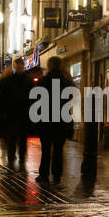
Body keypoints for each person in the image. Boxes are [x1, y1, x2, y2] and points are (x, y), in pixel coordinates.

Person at [35, 55, 76, 183]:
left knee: (46, 150)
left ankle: (44, 175)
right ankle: (57, 174)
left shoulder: (44, 80)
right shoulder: (67, 81)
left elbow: (37, 100)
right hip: (62, 120)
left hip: (46, 120)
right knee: (58, 149)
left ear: (49, 66)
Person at [0, 58, 31, 169]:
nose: (19, 68)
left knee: (21, 137)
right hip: (12, 114)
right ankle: (12, 157)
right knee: (12, 137)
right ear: (15, 67)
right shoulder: (10, 81)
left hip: (21, 114)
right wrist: (1, 111)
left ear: (23, 67)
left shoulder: (25, 81)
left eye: (21, 66)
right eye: (18, 66)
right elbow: (0, 97)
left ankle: (21, 157)